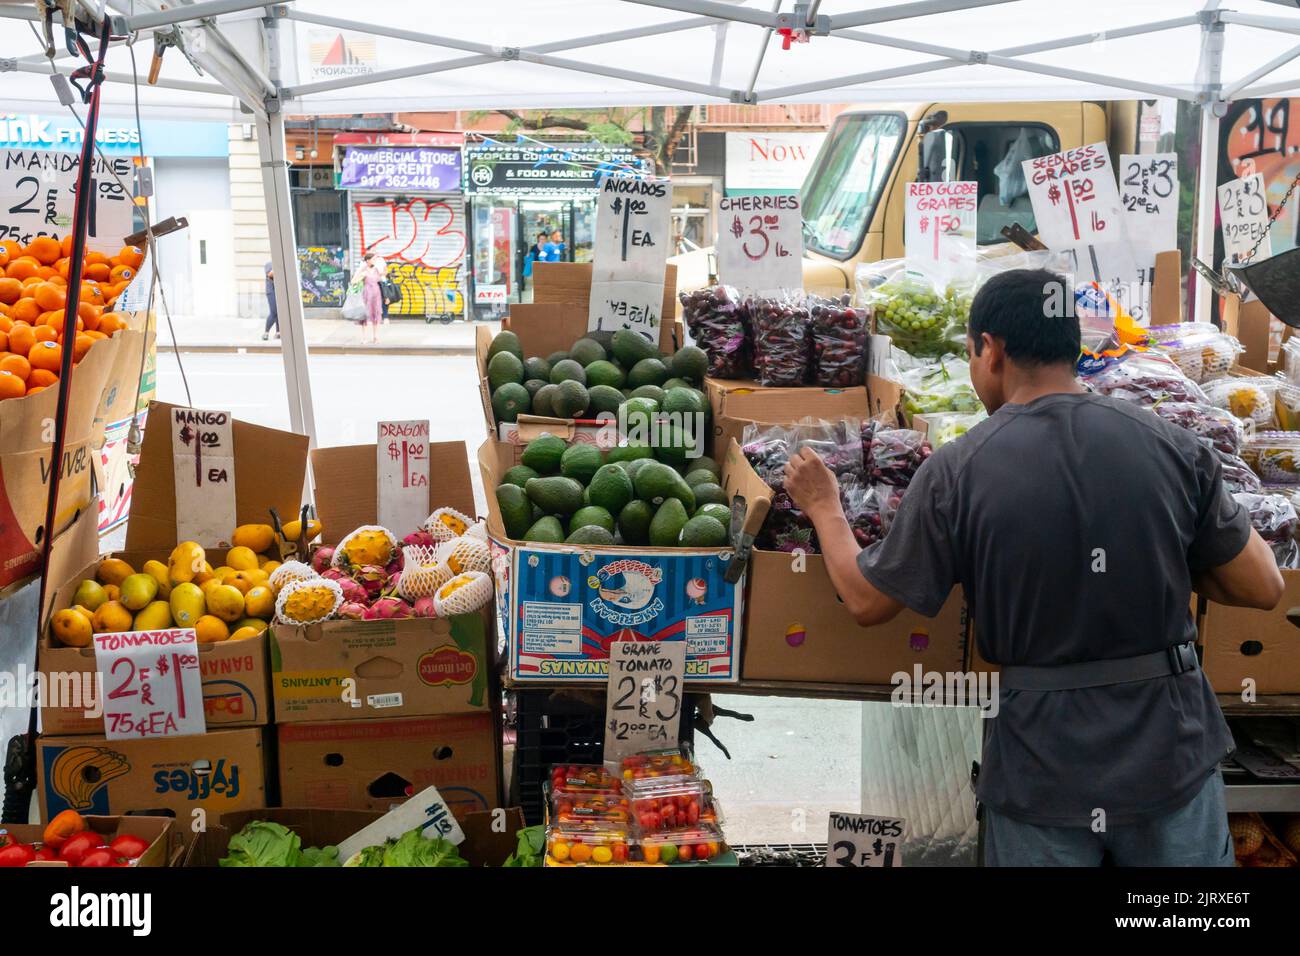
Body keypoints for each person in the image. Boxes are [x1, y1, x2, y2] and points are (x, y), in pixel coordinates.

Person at [783, 268, 1284, 867]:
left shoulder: (957, 470)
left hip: (1043, 765)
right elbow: (1262, 585)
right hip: (1169, 753)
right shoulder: (1173, 446)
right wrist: (1165, 553)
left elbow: (867, 602)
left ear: (989, 350)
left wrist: (825, 509)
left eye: (972, 355)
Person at [356, 252, 386, 344]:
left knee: (376, 315)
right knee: (365, 315)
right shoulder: (363, 269)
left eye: (375, 259)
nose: (375, 261)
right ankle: (364, 338)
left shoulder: (377, 269)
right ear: (368, 260)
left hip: (376, 294)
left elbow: (384, 278)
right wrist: (361, 276)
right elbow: (354, 281)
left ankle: (375, 337)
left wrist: (384, 271)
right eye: (373, 259)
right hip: (366, 294)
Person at [262, 260, 278, 341]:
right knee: (274, 312)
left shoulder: (281, 264)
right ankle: (266, 332)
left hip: (280, 292)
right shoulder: (269, 264)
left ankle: (278, 332)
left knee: (280, 312)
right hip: (271, 292)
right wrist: (279, 269)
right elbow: (270, 274)